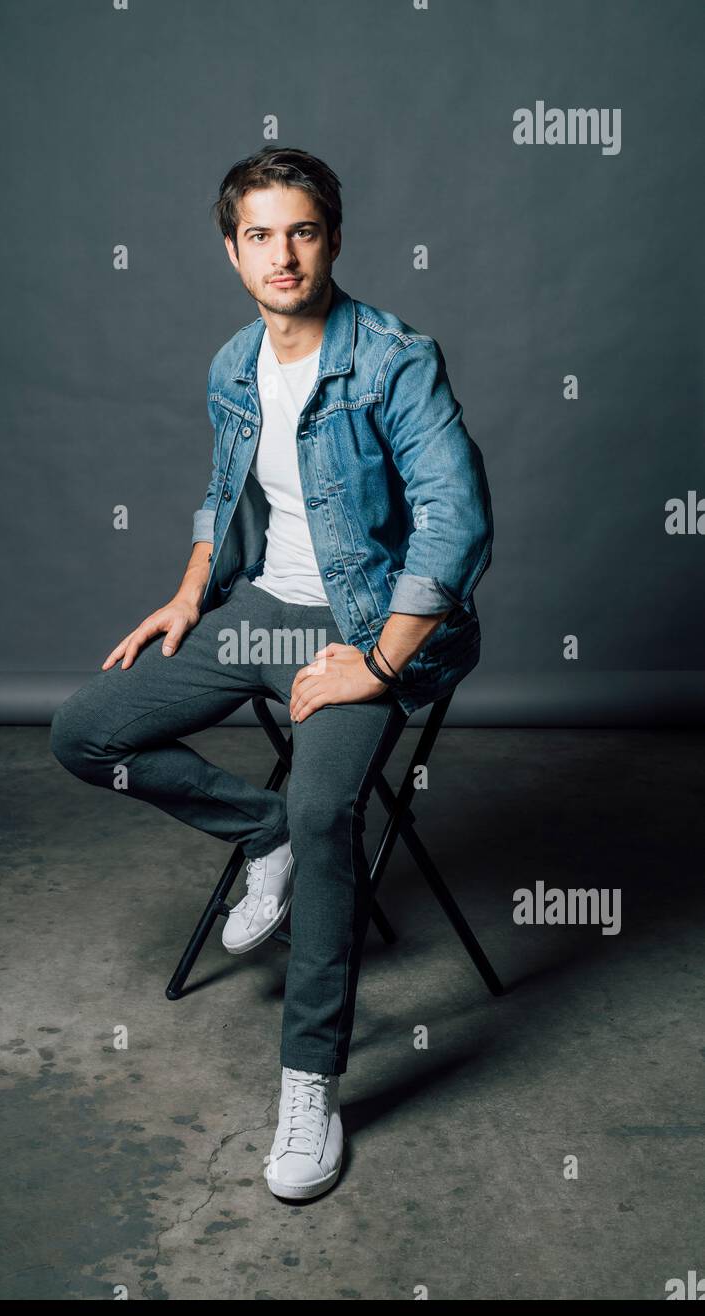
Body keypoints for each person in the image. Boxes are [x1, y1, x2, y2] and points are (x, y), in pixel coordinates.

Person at [50, 145, 493, 1202]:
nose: (281, 254)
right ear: (230, 250)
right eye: (259, 235)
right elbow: (223, 495)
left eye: (301, 230)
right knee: (85, 732)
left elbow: (457, 519)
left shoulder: (393, 358)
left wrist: (378, 662)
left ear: (332, 237)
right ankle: (265, 833)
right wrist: (189, 590)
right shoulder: (229, 364)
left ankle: (309, 1083)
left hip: (368, 628)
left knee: (331, 805)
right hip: (261, 615)